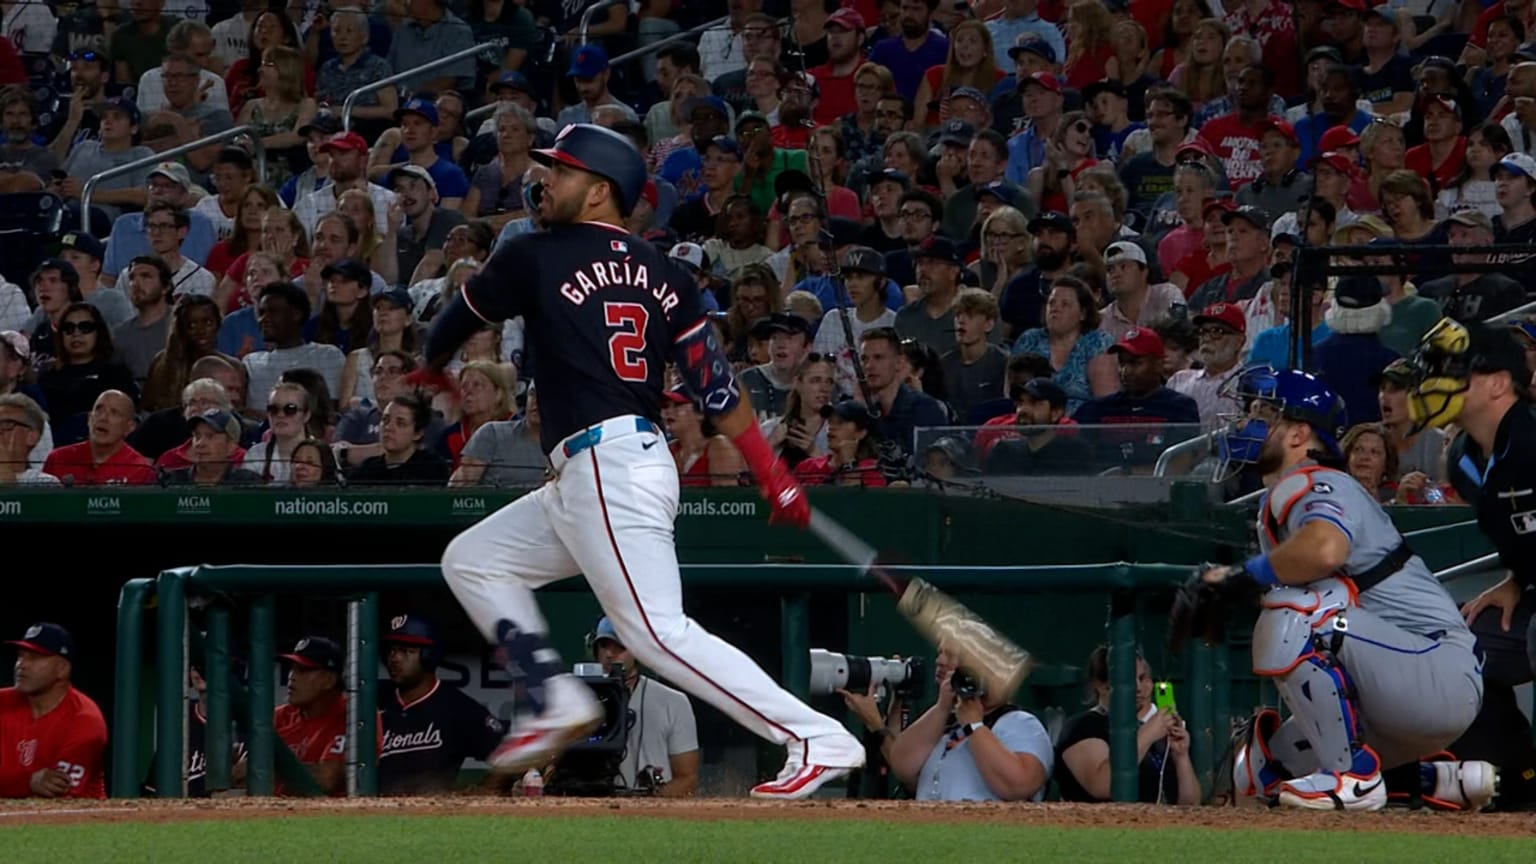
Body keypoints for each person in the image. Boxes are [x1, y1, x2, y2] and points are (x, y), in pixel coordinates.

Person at [418, 124, 863, 800]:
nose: (544, 181)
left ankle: (813, 735)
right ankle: (555, 696)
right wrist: (771, 474)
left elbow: (451, 323)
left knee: (655, 634)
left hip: (609, 466)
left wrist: (430, 368)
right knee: (475, 560)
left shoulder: (534, 252)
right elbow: (717, 387)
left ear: (600, 190)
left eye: (560, 173)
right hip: (599, 469)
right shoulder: (667, 273)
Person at [1204, 367, 1493, 812]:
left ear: (1300, 434)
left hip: (1435, 670)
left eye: (1263, 412)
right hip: (1400, 682)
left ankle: (1352, 778)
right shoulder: (1289, 492)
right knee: (1263, 770)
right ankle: (1432, 779)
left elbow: (1325, 550)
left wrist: (1241, 577)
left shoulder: (1320, 480)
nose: (1246, 423)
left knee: (1294, 612)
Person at [1407, 318, 1536, 810]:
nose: (1439, 381)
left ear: (1499, 383)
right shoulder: (1462, 457)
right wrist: (1515, 579)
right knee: (1460, 646)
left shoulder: (1531, 440)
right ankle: (1518, 778)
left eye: (1458, 371)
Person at [0, 623, 107, 799]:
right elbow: (32, 788)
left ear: (62, 669)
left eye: (34, 658)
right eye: (20, 656)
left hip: (76, 823)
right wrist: (27, 782)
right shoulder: (3, 703)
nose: (21, 665)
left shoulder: (84, 721)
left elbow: (55, 799)